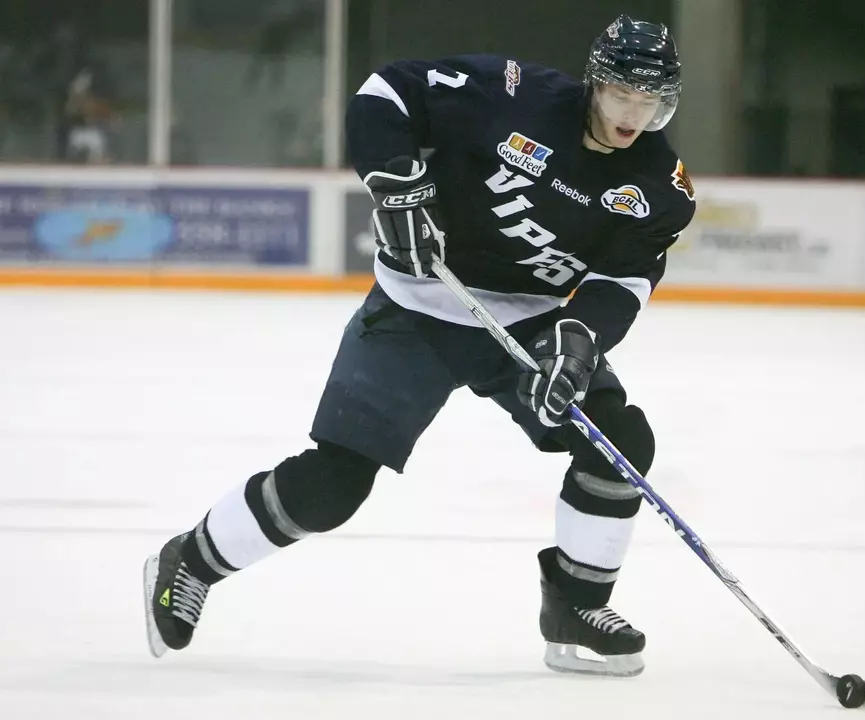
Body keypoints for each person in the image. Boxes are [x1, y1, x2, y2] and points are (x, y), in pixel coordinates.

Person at [143, 14, 696, 677]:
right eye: (622, 96)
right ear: (594, 83)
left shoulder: (660, 189)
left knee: (619, 444)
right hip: (418, 304)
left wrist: (577, 344)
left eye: (651, 103)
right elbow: (386, 95)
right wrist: (398, 187)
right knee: (332, 487)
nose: (634, 116)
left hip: (528, 323)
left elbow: (623, 280)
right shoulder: (510, 94)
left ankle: (576, 605)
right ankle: (190, 561)